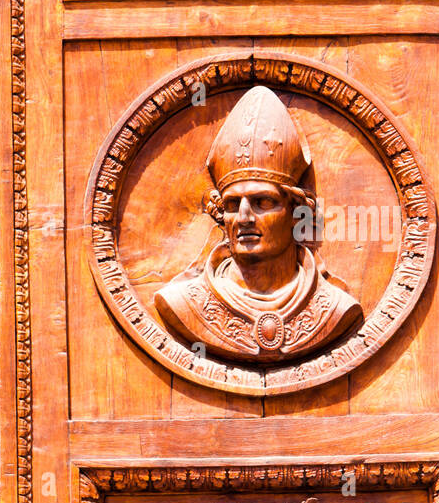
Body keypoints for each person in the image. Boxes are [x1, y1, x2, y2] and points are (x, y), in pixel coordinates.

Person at [154, 85, 362, 362]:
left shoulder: (335, 308)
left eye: (263, 202)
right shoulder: (183, 304)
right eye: (231, 205)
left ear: (297, 213)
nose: (243, 218)